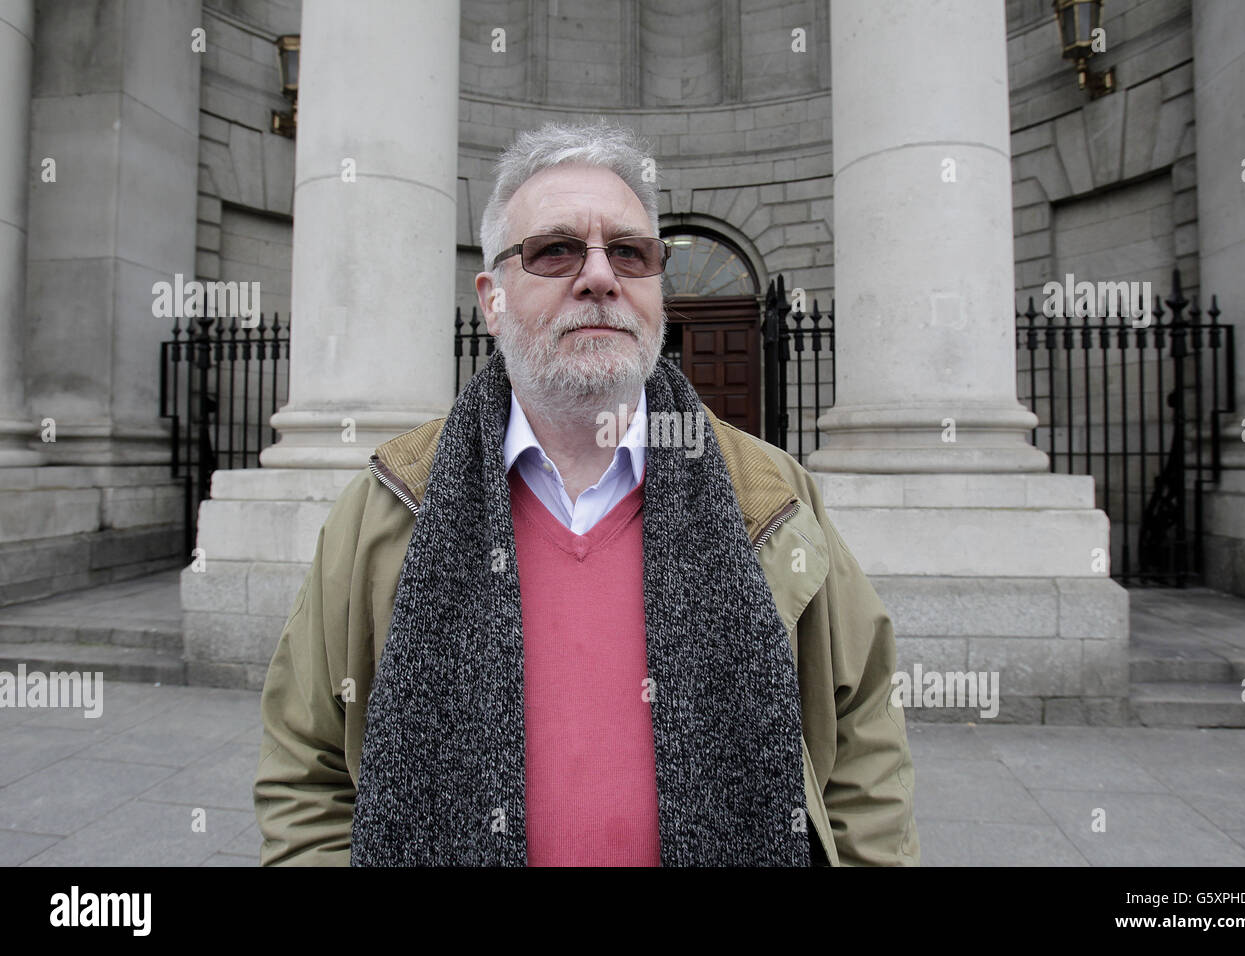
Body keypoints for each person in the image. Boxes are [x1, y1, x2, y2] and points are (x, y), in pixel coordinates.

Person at [254, 119, 919, 867]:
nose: (600, 275)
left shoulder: (771, 496)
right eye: (556, 250)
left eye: (630, 253)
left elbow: (863, 733)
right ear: (492, 298)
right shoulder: (387, 506)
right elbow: (306, 766)